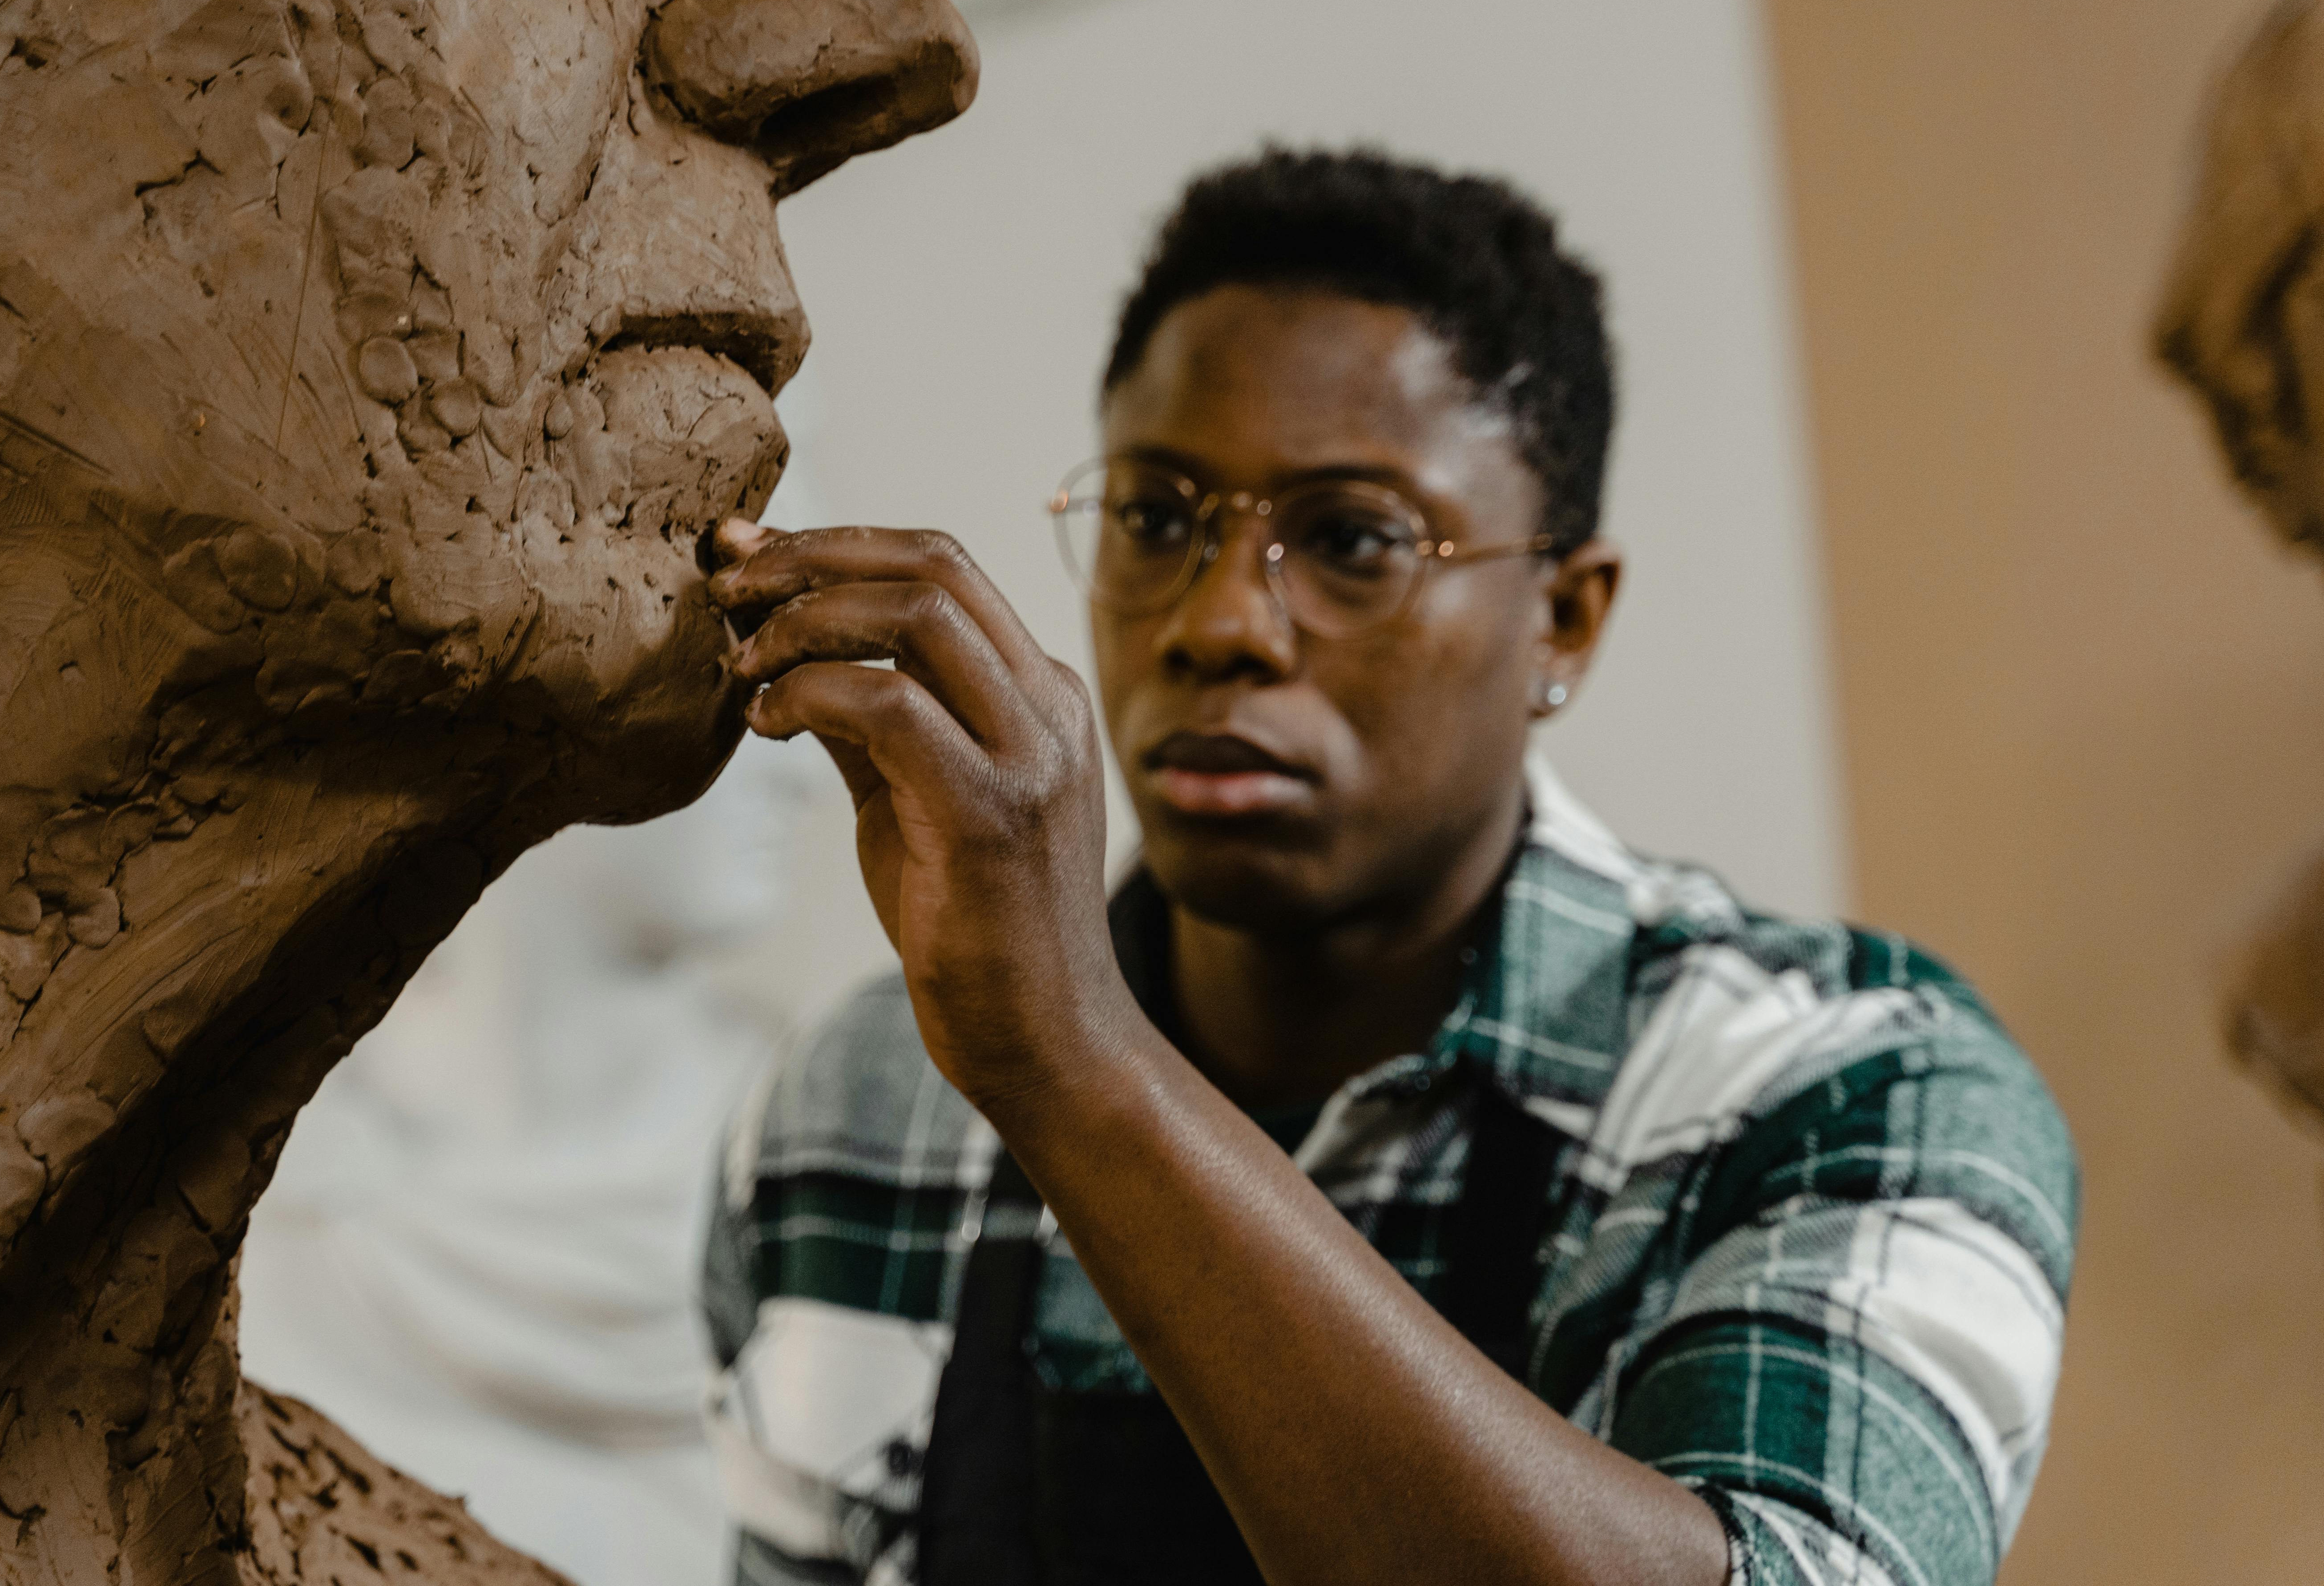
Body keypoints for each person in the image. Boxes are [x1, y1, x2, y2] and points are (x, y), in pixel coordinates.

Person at [698, 149, 2076, 1586]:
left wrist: (1079, 1064)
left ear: (1566, 618)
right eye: (1159, 520)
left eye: (1354, 538)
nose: (1222, 621)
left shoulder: (1842, 1090)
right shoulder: (854, 1115)